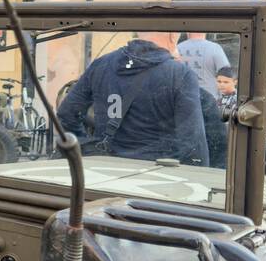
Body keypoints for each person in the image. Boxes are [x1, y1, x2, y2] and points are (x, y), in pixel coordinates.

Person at [59, 30, 208, 166]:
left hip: (104, 168)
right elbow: (193, 141)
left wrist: (87, 146)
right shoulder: (179, 74)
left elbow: (67, 113)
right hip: (154, 175)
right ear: (172, 35)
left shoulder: (101, 64)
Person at [177, 31, 230, 98]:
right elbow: (226, 72)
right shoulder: (214, 48)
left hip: (184, 98)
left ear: (187, 32)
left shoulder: (177, 48)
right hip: (210, 98)